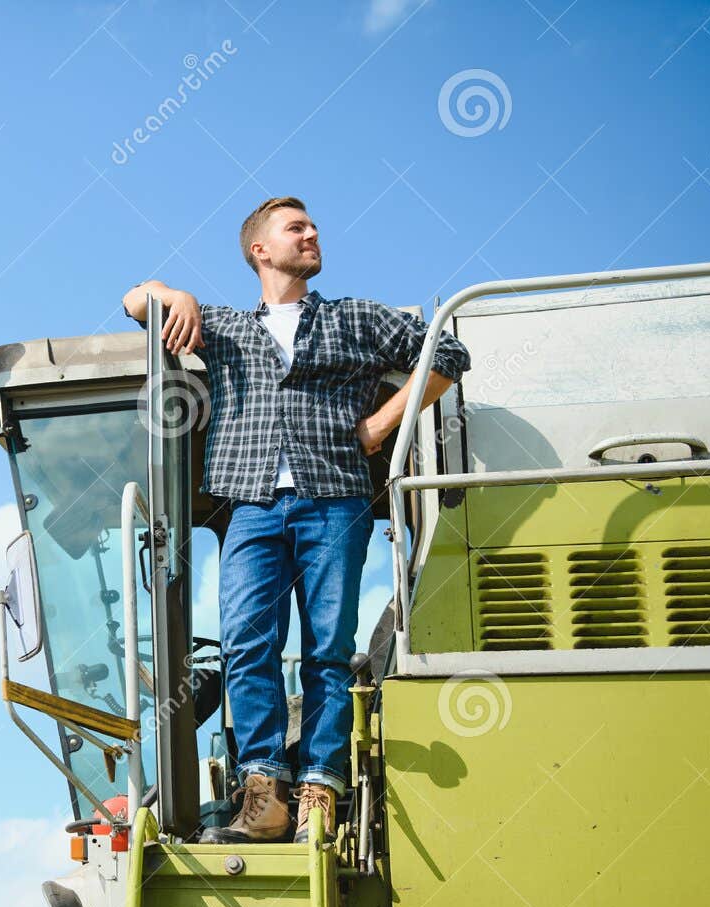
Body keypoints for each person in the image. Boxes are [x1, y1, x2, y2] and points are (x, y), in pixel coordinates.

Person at [122, 196, 471, 844]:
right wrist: (175, 293)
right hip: (251, 505)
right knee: (247, 644)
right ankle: (264, 793)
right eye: (296, 228)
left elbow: (447, 354)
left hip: (334, 498)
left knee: (327, 650)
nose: (312, 234)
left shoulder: (358, 318)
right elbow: (134, 300)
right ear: (260, 249)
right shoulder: (223, 327)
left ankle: (319, 789)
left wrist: (378, 426)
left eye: (313, 226)